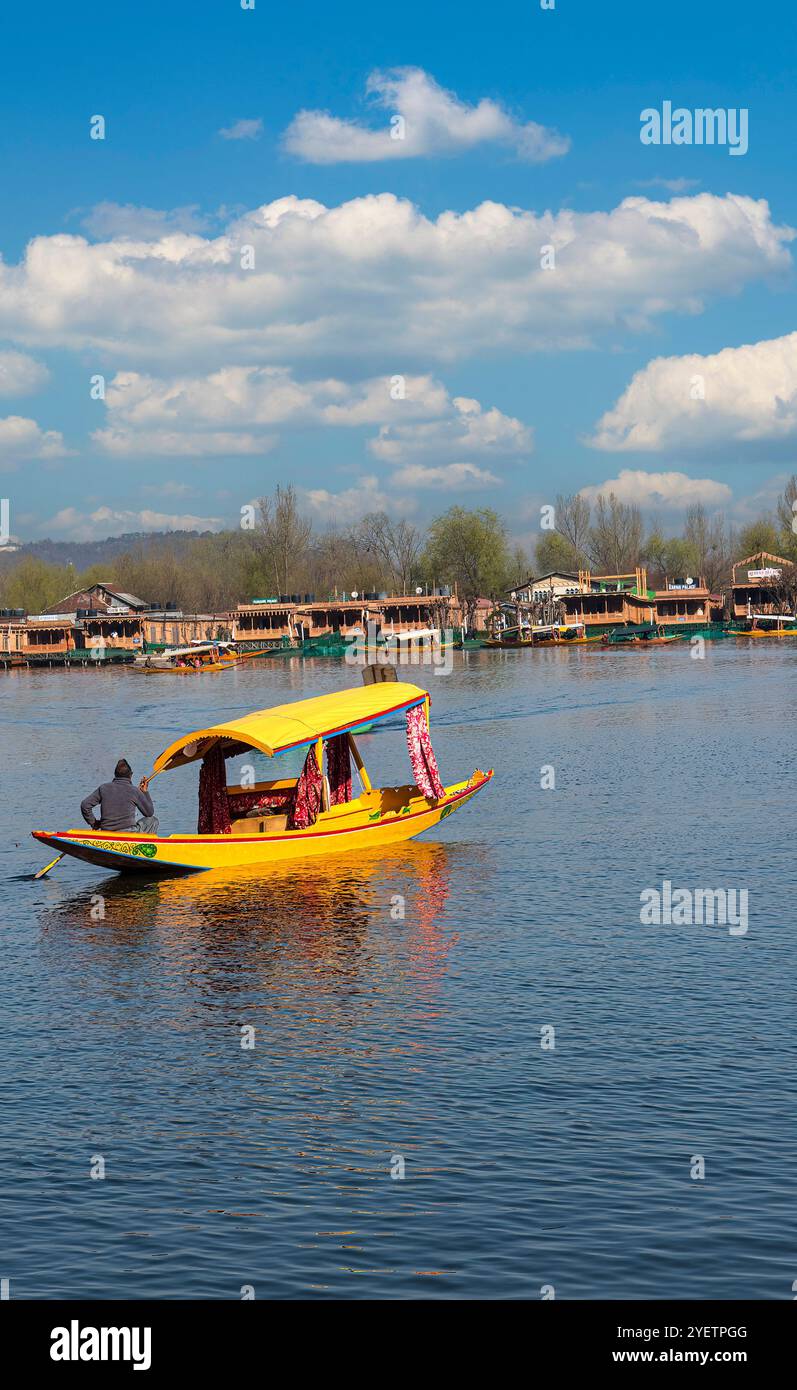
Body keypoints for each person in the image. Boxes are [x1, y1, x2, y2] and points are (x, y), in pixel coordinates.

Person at [81, 759, 159, 834]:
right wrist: (145, 792)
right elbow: (149, 813)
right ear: (131, 775)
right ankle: (144, 845)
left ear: (115, 774)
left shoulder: (103, 788)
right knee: (153, 820)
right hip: (129, 832)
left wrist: (94, 823)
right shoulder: (134, 791)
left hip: (106, 831)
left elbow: (85, 805)